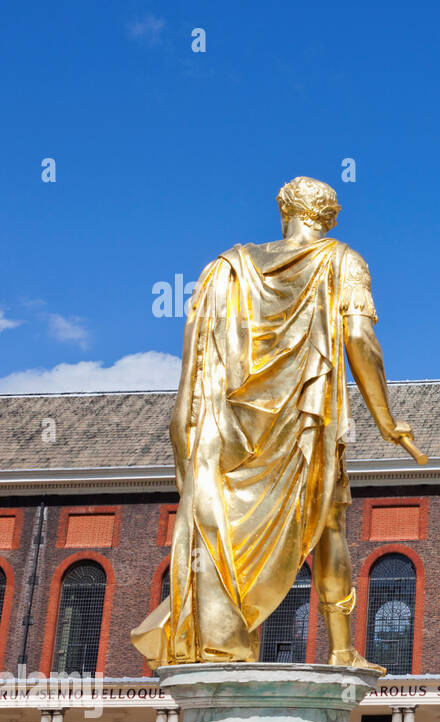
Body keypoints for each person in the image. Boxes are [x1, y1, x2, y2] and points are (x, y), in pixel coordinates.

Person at [132, 177, 423, 675]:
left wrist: (186, 437)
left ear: (282, 209)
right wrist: (387, 419)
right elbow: (359, 338)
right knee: (330, 523)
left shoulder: (225, 269)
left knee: (219, 526)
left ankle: (215, 641)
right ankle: (340, 649)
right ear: (330, 215)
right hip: (305, 424)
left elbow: (196, 367)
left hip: (226, 427)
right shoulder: (342, 260)